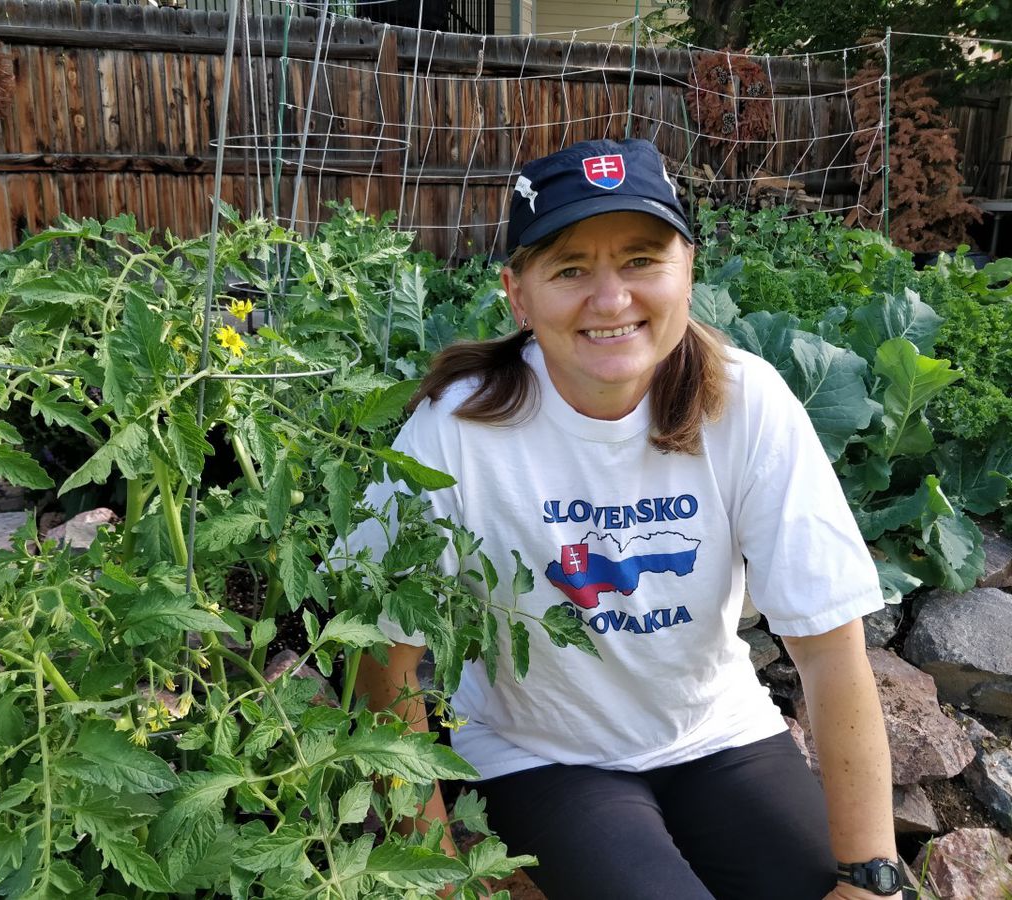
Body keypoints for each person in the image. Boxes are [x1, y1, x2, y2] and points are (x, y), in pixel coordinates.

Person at [351, 138, 901, 900]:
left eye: (642, 260)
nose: (611, 301)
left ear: (688, 270)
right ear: (518, 294)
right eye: (571, 269)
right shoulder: (454, 434)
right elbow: (384, 665)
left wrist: (871, 875)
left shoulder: (749, 404)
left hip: (719, 733)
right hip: (543, 754)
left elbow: (831, 649)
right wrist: (441, 878)